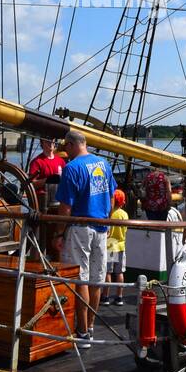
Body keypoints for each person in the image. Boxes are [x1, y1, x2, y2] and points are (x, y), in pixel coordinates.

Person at [53, 130, 116, 346]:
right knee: (96, 280)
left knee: (81, 279)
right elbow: (112, 197)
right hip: (102, 227)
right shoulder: (104, 165)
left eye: (66, 148)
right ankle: (90, 327)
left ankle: (81, 333)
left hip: (80, 228)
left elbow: (65, 207)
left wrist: (60, 233)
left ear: (71, 145)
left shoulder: (72, 168)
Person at [105, 190, 128, 306]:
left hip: (109, 244)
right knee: (119, 273)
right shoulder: (124, 214)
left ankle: (106, 297)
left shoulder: (109, 213)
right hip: (121, 245)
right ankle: (119, 297)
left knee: (108, 272)